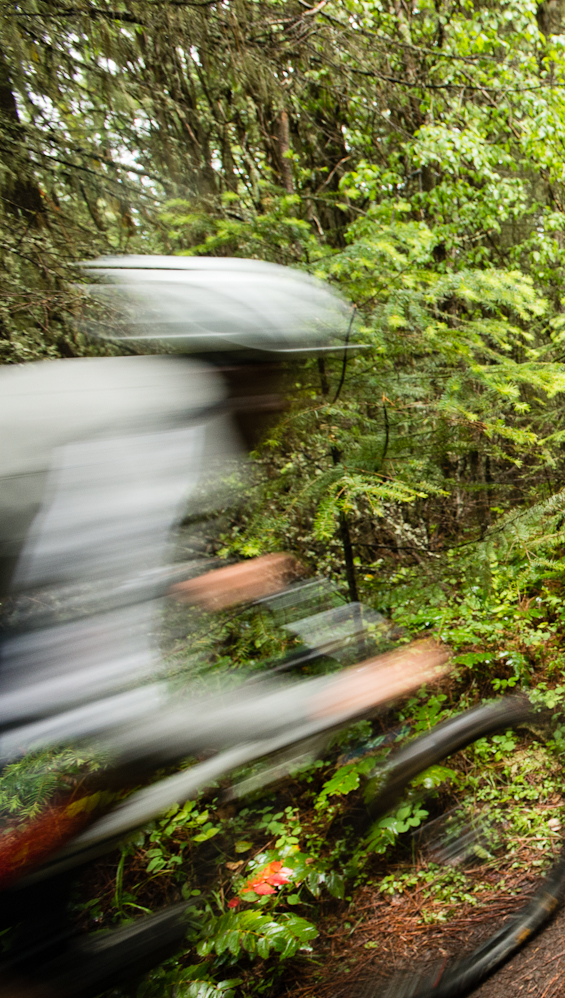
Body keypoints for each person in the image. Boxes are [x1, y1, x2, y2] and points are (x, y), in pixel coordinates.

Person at [0, 257, 443, 996]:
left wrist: (192, 577)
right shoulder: (138, 442)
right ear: (232, 370)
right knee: (106, 767)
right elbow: (114, 707)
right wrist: (323, 700)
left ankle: (44, 936)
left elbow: (79, 566)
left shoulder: (144, 408)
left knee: (65, 841)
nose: (285, 403)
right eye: (278, 378)